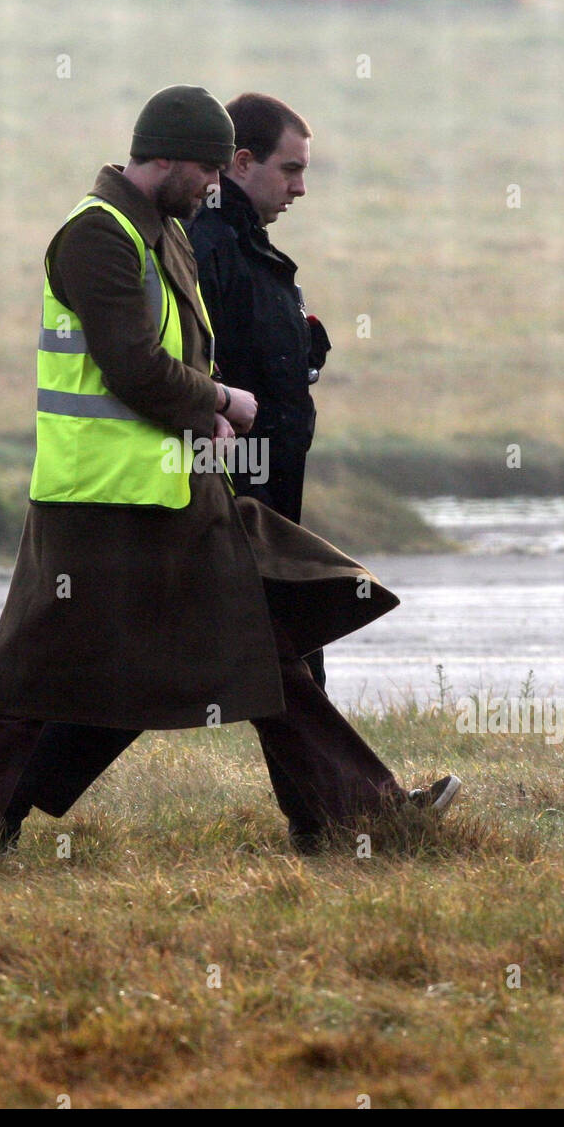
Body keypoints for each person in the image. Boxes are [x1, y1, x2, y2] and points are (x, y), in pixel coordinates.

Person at [0, 85, 460, 860]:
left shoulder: (162, 228)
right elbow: (132, 365)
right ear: (160, 156)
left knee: (266, 647)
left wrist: (215, 418)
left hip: (177, 495)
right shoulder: (96, 236)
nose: (212, 183)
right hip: (96, 504)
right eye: (203, 167)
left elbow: (177, 354)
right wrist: (223, 401)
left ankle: (363, 818)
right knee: (27, 683)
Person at [189, 94, 330, 688]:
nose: (300, 188)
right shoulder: (207, 246)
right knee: (282, 646)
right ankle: (353, 787)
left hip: (267, 485)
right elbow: (189, 360)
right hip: (233, 487)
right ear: (241, 163)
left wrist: (305, 349)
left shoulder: (251, 250)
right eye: (290, 169)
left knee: (287, 647)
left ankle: (347, 786)